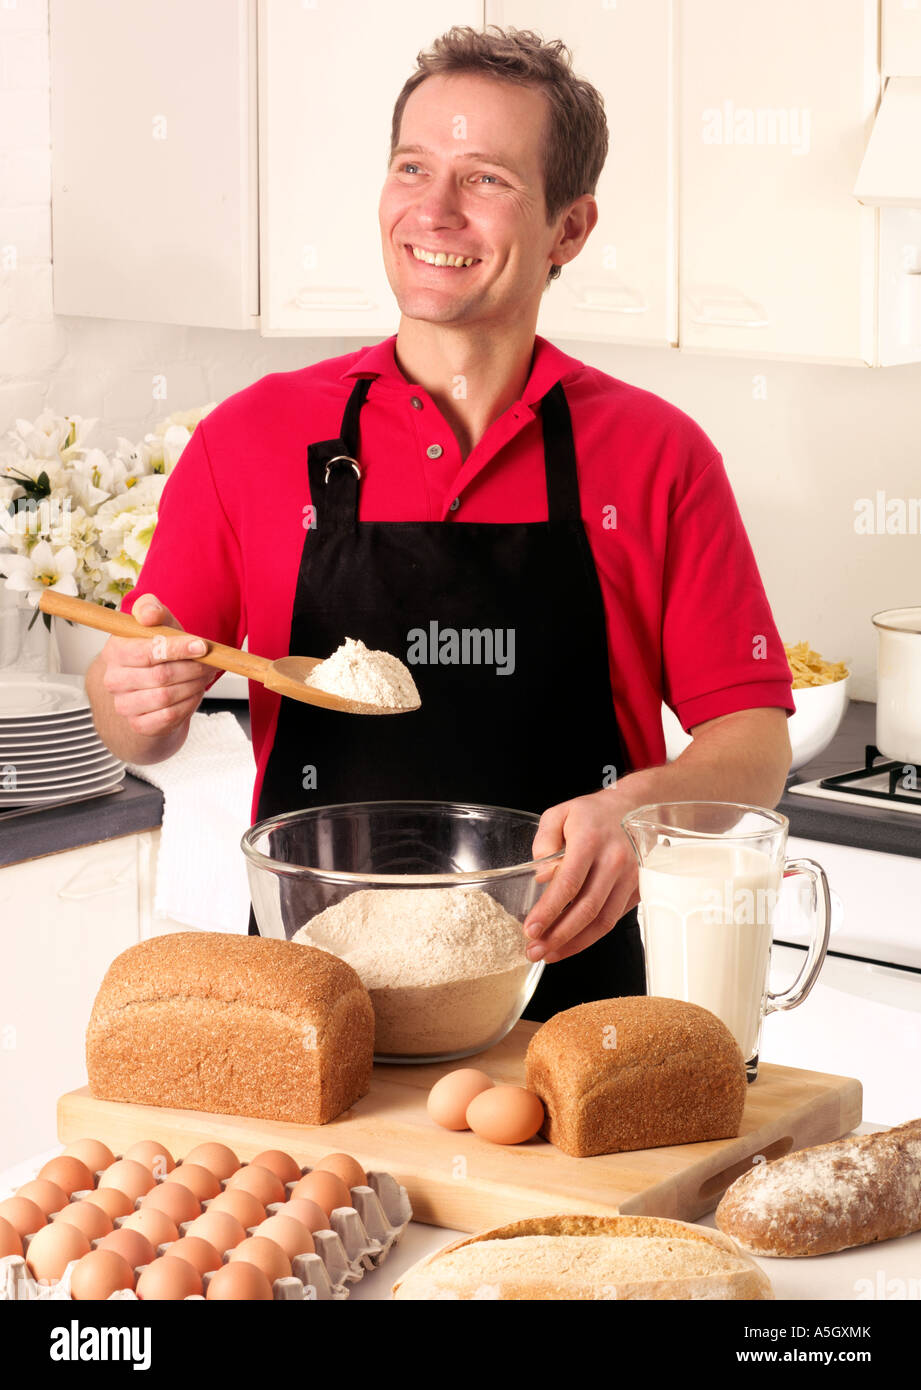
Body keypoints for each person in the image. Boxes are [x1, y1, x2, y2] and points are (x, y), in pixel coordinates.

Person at [87, 26, 793, 1021]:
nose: (434, 208)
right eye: (412, 166)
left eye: (486, 178)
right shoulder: (251, 437)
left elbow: (753, 735)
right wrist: (133, 696)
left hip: (573, 1002)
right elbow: (136, 711)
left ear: (570, 229)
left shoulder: (655, 454)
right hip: (310, 1006)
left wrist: (641, 811)